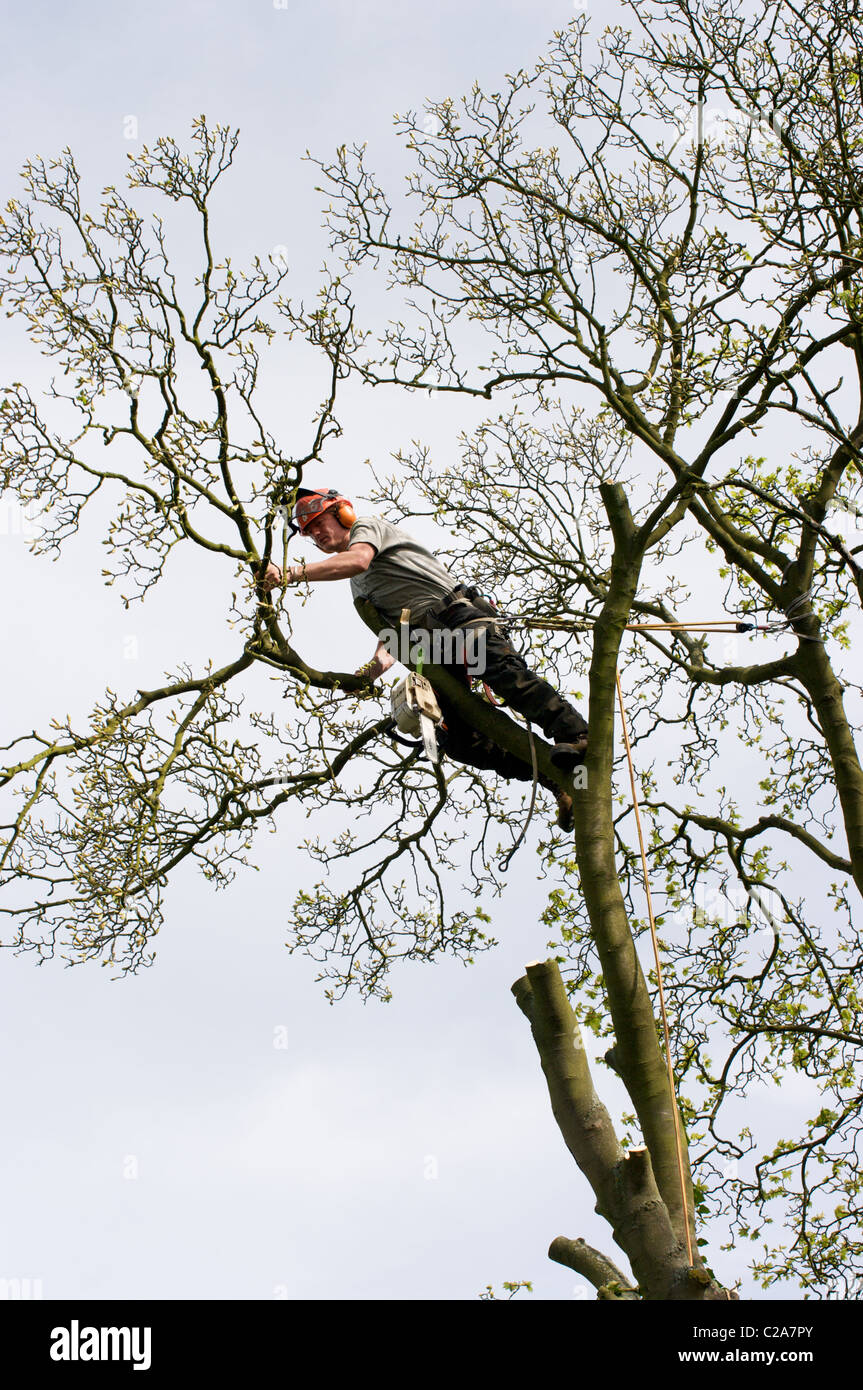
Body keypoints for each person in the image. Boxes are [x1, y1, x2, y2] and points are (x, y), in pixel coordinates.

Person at [260, 488, 588, 829]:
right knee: (459, 739)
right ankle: (554, 777)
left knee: (502, 673)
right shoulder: (358, 585)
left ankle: (577, 736)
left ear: (342, 512)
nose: (314, 533)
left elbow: (357, 559)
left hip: (458, 618)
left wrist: (288, 573)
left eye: (318, 522)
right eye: (307, 531)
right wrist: (368, 673)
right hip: (432, 648)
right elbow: (390, 639)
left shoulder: (367, 532)